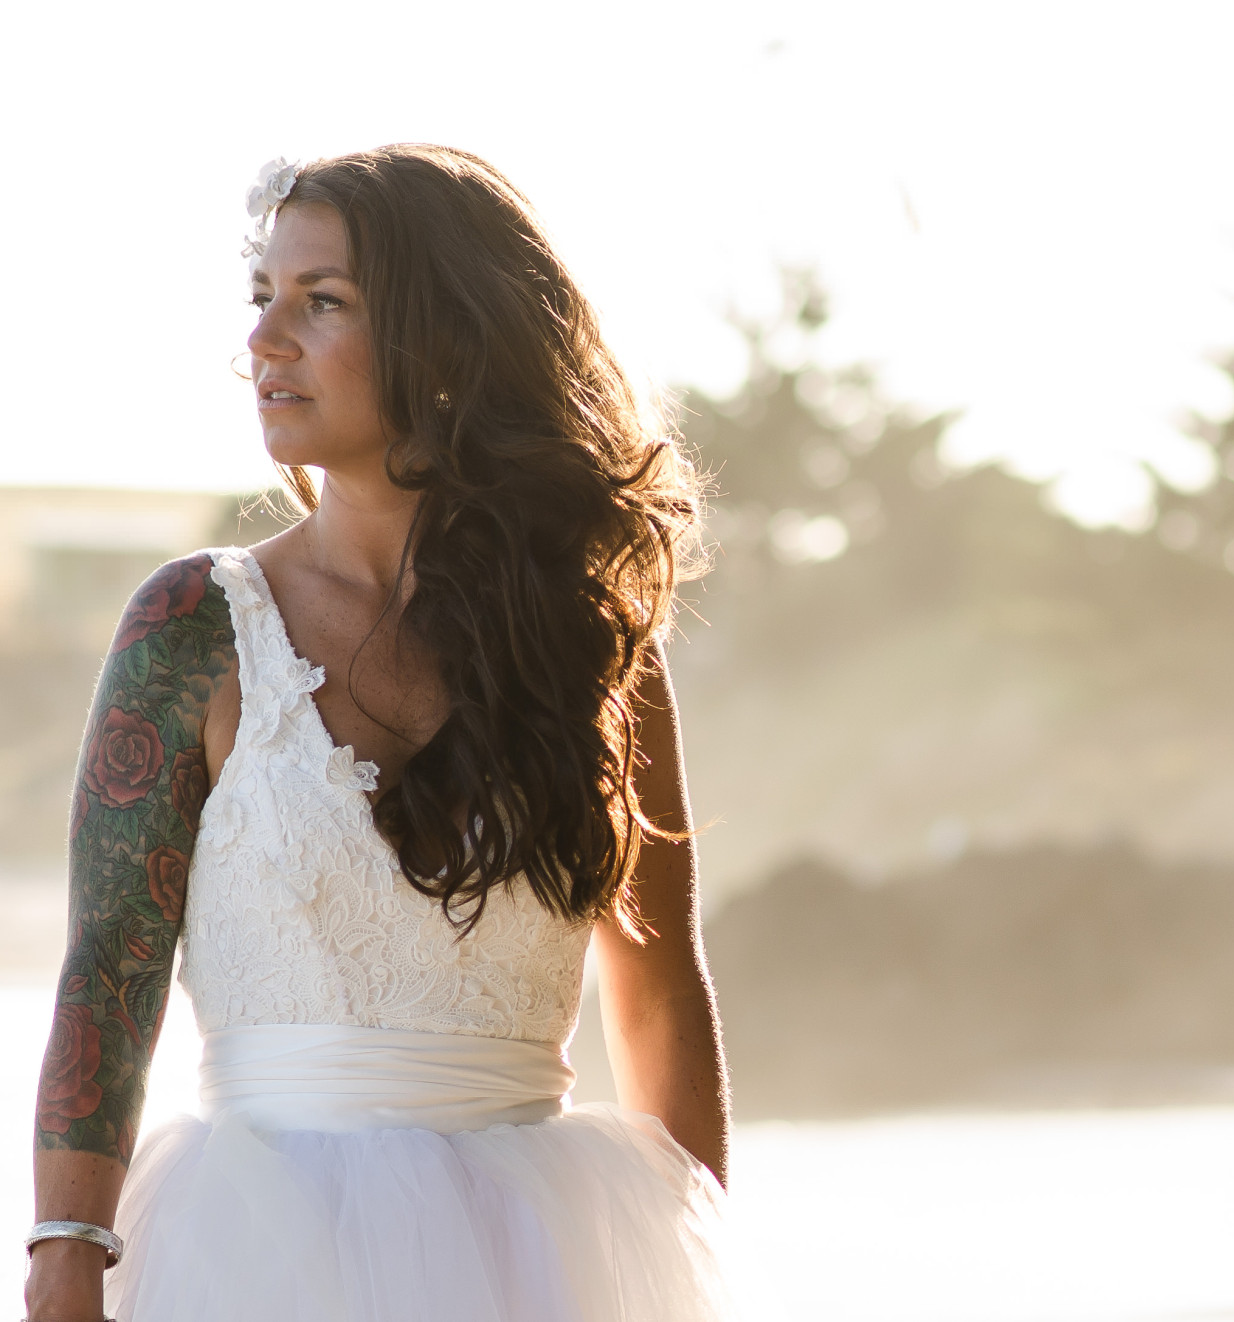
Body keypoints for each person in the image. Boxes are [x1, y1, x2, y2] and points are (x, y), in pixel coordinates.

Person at [26, 146, 754, 1321]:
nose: (265, 341)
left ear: (444, 341)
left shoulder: (587, 640)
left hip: (547, 1256)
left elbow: (660, 984)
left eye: (322, 303)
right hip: (252, 1251)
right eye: (262, 299)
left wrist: (688, 1252)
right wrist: (66, 1251)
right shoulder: (192, 625)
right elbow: (111, 969)